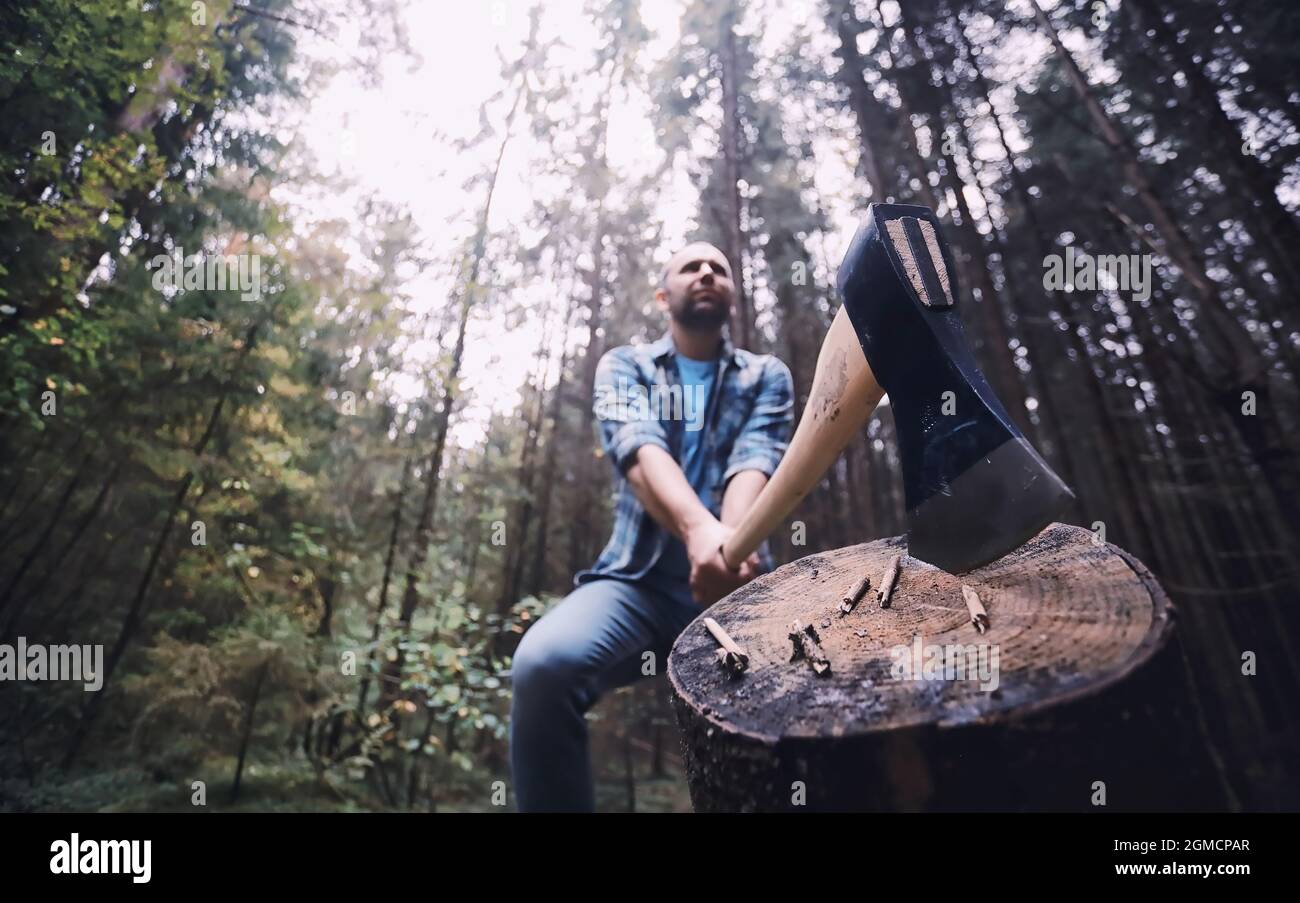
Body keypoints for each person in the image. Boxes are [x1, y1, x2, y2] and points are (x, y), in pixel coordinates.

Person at [508, 240, 794, 811]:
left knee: (796, 710)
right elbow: (637, 450)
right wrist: (700, 534)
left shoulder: (767, 376)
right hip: (634, 583)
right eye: (692, 267)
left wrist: (728, 552)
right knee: (542, 667)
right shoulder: (625, 365)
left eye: (720, 268)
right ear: (665, 295)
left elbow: (756, 461)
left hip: (738, 589)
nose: (708, 273)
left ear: (733, 295)